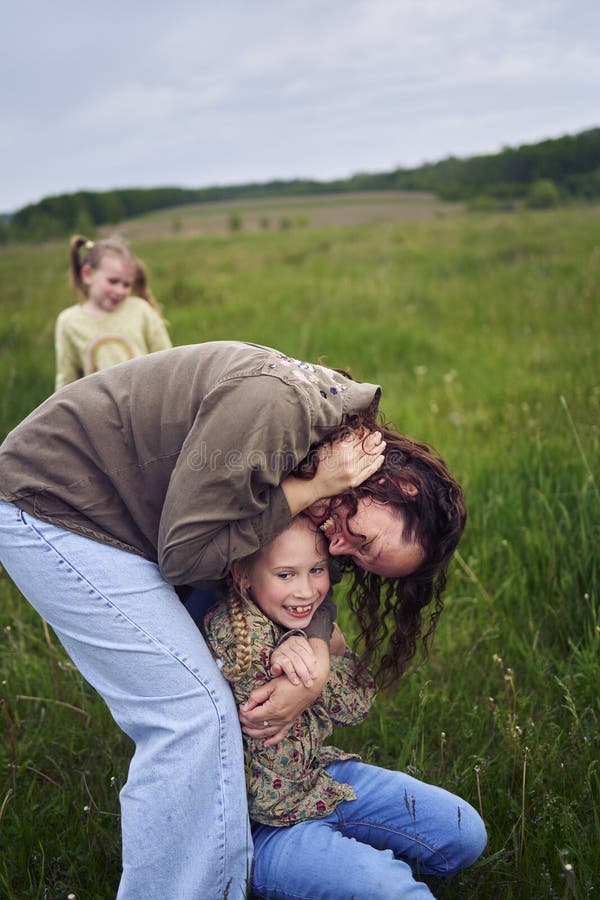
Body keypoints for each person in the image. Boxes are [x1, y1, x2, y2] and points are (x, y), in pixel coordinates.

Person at [0, 340, 466, 899]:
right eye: (362, 540)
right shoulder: (283, 416)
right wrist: (311, 489)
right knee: (190, 712)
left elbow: (306, 575)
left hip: (136, 522)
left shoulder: (340, 467)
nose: (342, 550)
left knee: (206, 699)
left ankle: (246, 818)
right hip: (54, 500)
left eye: (357, 559)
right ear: (401, 487)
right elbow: (188, 557)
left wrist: (316, 659)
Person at [204, 514, 487, 899]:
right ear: (243, 576)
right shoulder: (237, 636)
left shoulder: (298, 627)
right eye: (285, 575)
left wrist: (318, 646)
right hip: (268, 826)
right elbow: (339, 697)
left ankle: (346, 856)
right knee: (395, 892)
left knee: (464, 833)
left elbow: (357, 703)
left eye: (316, 570)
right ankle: (317, 867)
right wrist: (313, 651)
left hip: (323, 781)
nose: (305, 591)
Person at [54, 234, 172, 390]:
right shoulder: (69, 321)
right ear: (87, 274)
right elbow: (67, 379)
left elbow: (168, 361)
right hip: (98, 410)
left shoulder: (141, 310)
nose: (120, 291)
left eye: (126, 284)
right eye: (113, 281)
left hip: (144, 404)